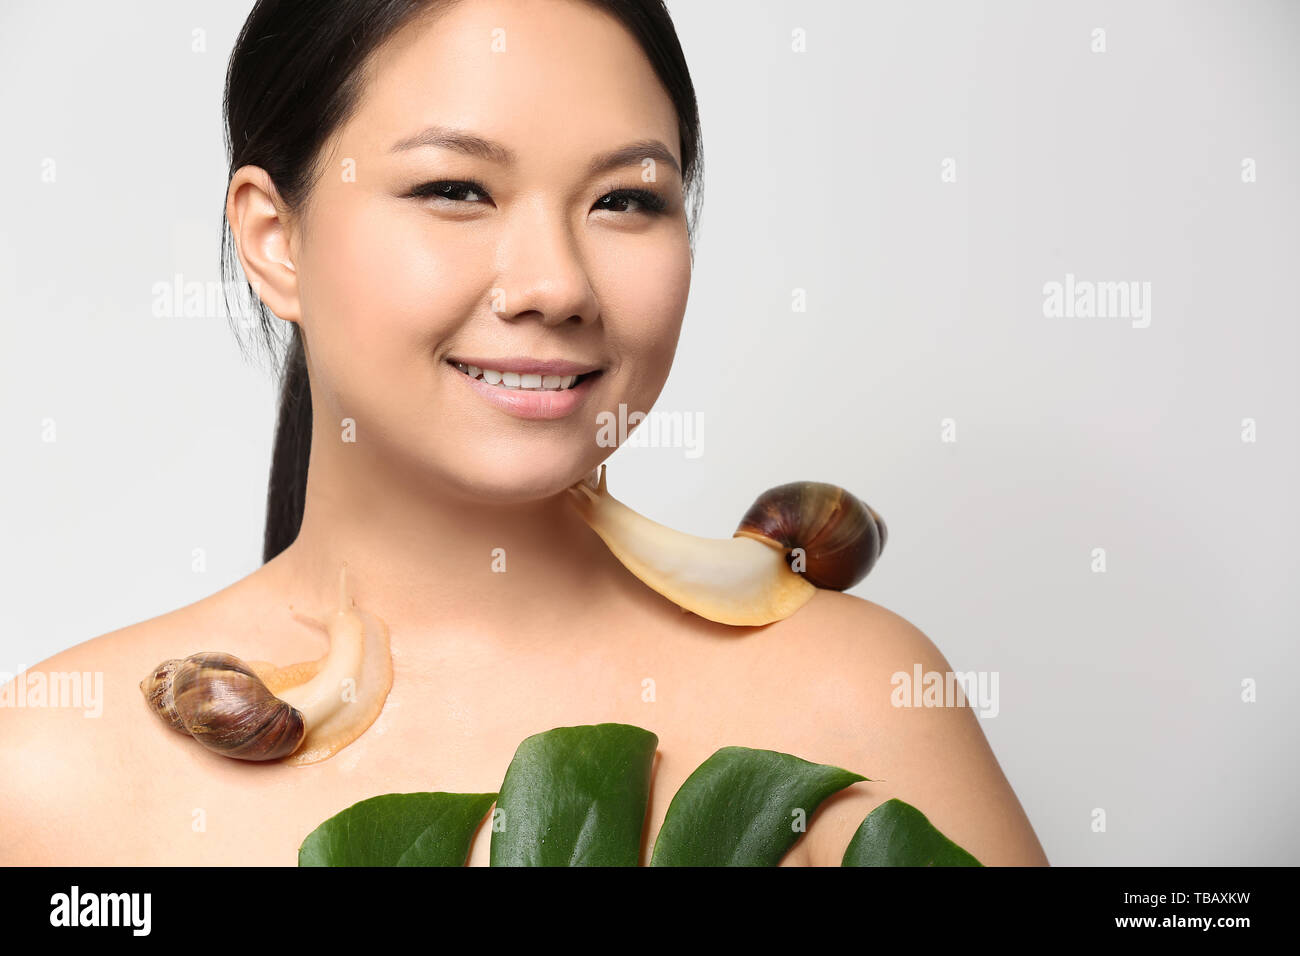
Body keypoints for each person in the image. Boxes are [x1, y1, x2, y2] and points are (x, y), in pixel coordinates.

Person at [0, 0, 1049, 866]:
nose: (554, 284)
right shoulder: (62, 765)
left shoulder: (850, 696)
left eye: (627, 200)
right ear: (275, 241)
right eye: (455, 189)